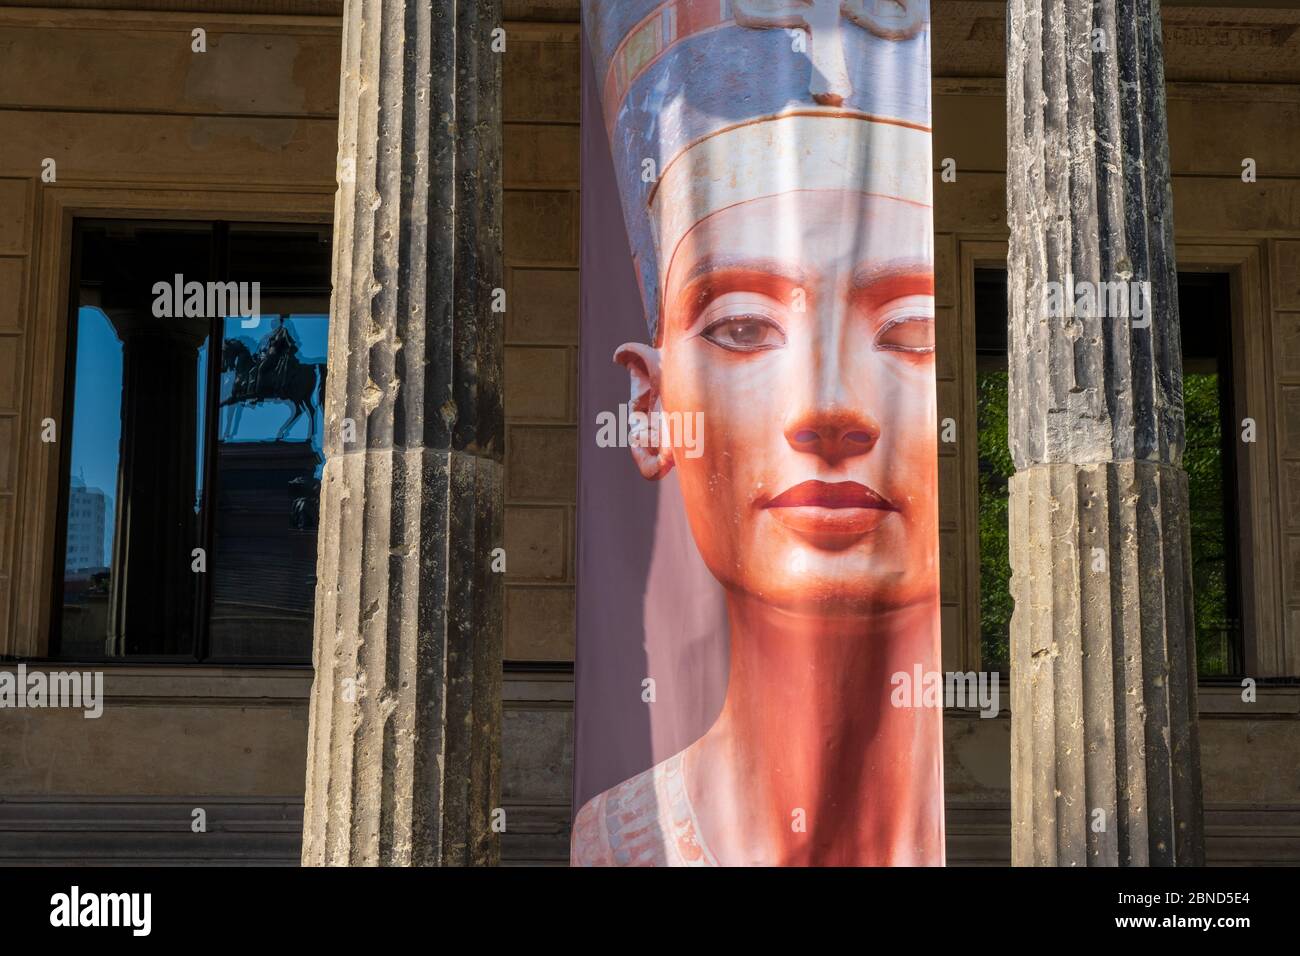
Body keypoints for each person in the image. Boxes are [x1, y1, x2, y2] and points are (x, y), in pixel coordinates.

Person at [574, 0, 940, 865]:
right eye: (741, 326)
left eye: (910, 332)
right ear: (651, 408)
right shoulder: (609, 843)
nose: (827, 409)